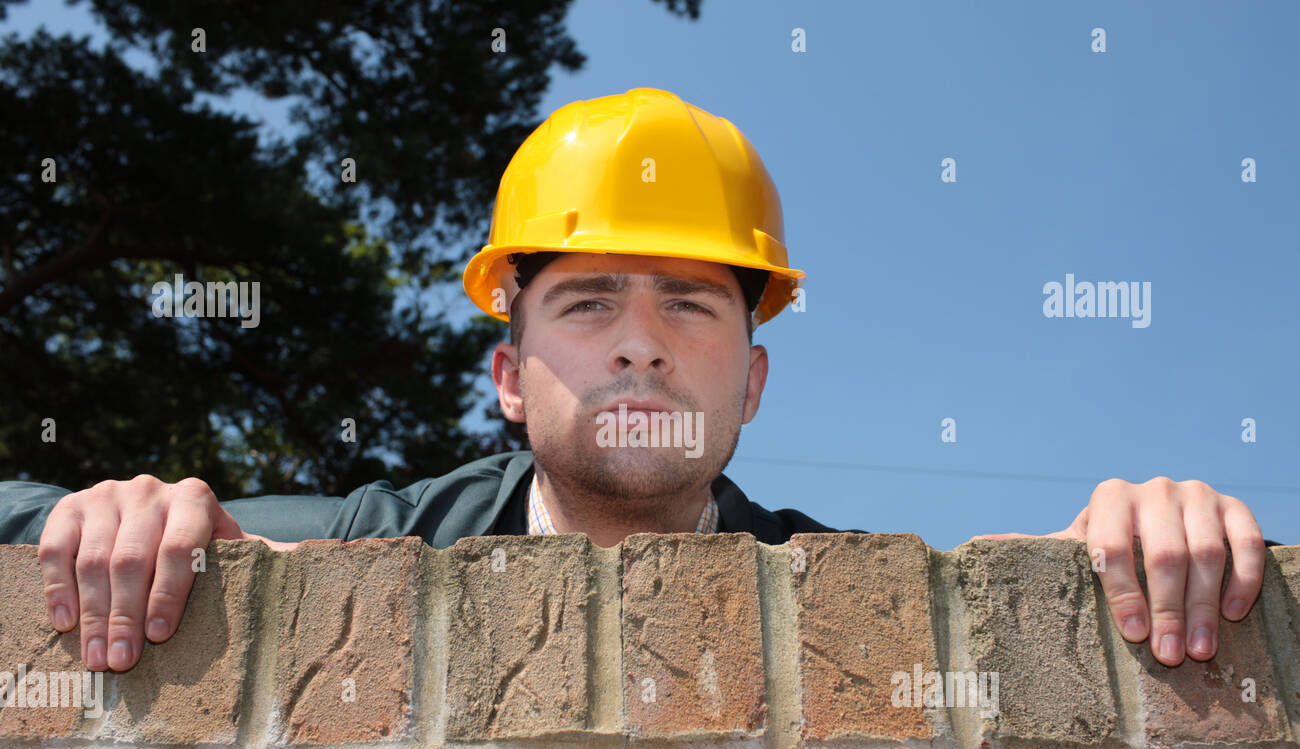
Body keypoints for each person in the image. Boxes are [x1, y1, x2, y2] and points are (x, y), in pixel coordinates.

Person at [0, 88, 1279, 677]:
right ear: (509, 376)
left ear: (754, 380)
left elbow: (994, 618)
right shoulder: (379, 539)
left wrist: (1117, 548)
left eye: (689, 301)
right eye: (589, 299)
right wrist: (126, 510)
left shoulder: (840, 590)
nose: (640, 342)